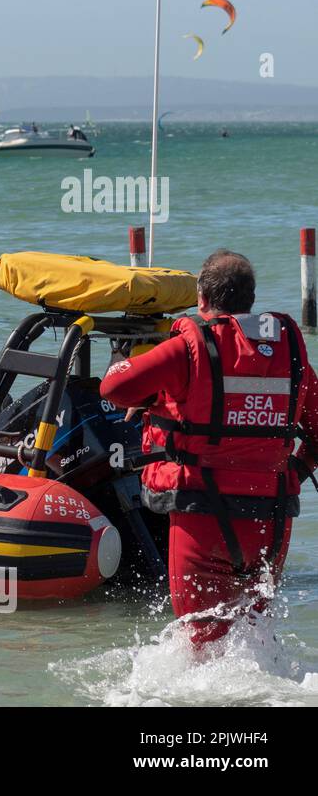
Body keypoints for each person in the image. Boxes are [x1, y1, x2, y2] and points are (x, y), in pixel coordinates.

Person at [100, 250, 318, 647]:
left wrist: (152, 397)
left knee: (200, 647)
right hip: (271, 519)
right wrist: (295, 474)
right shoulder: (290, 353)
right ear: (249, 299)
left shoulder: (190, 347)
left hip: (203, 517)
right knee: (254, 643)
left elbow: (113, 388)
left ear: (201, 299)